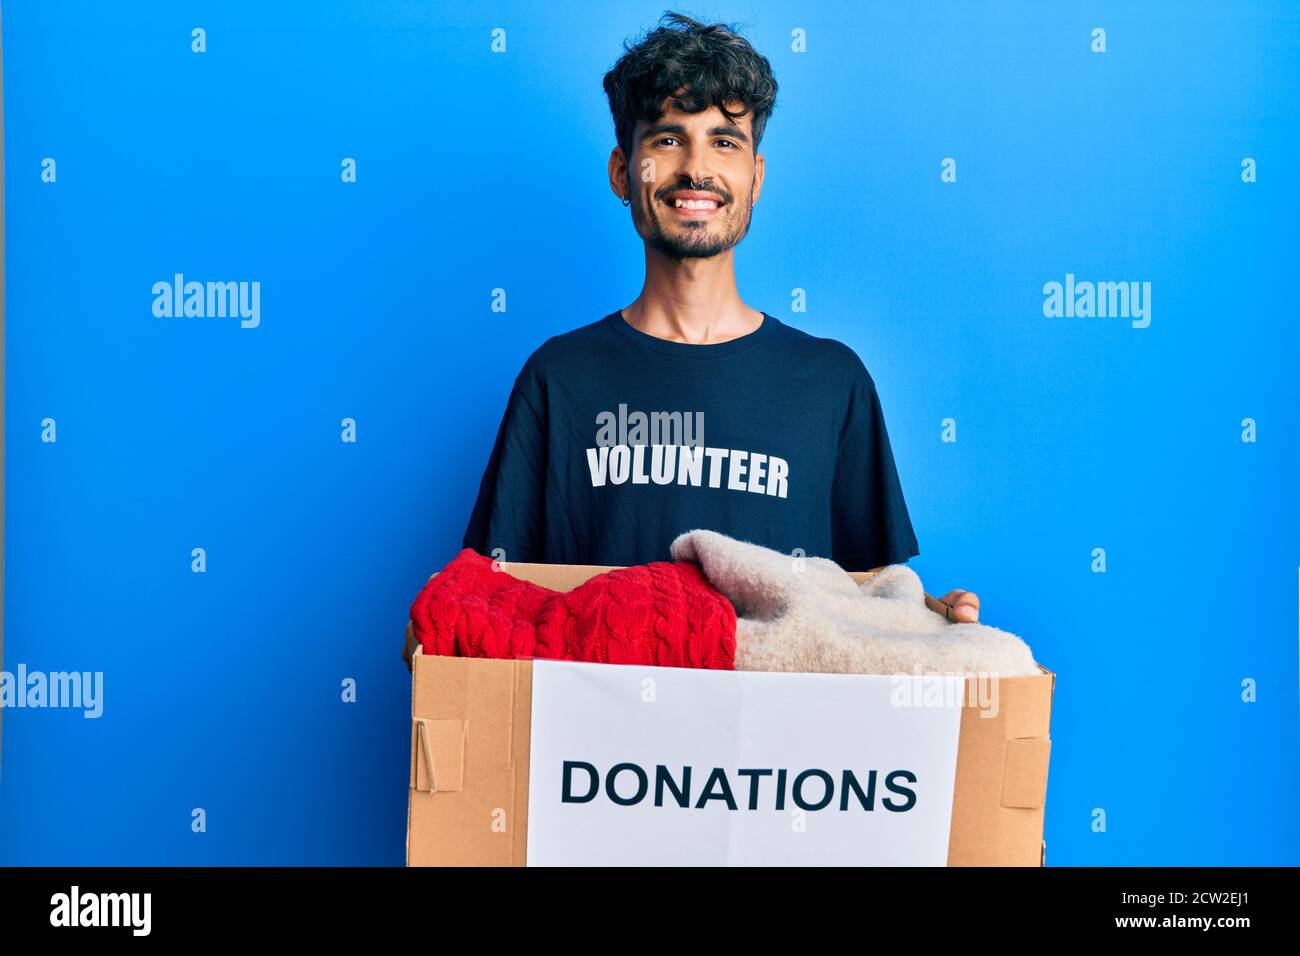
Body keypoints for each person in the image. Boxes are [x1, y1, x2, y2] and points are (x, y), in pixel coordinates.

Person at [430, 13, 980, 651]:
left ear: (756, 176)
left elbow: (874, 604)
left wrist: (935, 619)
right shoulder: (558, 379)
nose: (696, 169)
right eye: (667, 139)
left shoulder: (831, 382)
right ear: (621, 171)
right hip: (601, 743)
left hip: (775, 744)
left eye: (725, 141)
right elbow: (494, 603)